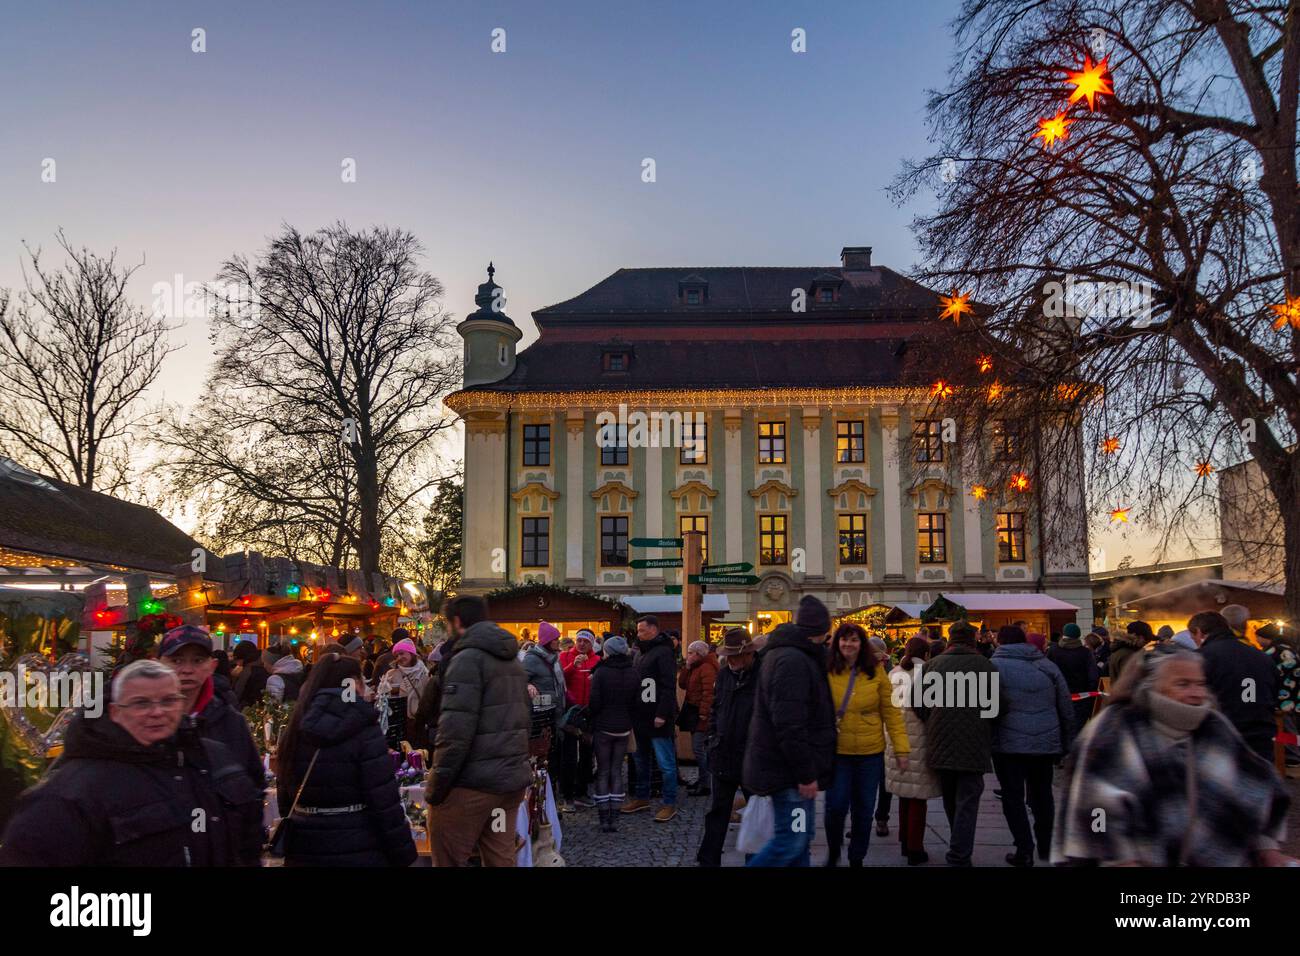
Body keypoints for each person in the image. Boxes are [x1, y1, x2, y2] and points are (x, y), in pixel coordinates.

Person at [0, 660, 263, 866]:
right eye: (141, 703)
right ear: (116, 711)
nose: (157, 712)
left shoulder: (213, 759)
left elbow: (247, 840)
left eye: (168, 701)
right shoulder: (74, 789)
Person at [1054, 647, 1294, 866]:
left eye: (1200, 683)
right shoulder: (1115, 728)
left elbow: (1255, 786)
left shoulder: (1213, 726)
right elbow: (1096, 802)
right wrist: (1118, 858)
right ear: (1148, 684)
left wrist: (1266, 845)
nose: (1196, 693)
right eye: (1183, 684)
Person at [273, 653, 415, 867]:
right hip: (359, 844)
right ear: (353, 683)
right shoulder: (364, 728)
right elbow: (384, 800)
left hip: (305, 845)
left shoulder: (295, 728)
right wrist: (403, 852)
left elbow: (284, 793)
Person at [426, 595, 531, 867]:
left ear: (457, 622)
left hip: (473, 785)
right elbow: (524, 718)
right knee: (500, 857)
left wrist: (436, 787)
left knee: (448, 857)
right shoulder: (513, 660)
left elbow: (454, 730)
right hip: (508, 781)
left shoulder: (467, 659)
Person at [744, 596, 837, 867]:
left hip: (786, 769)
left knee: (800, 839)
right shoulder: (793, 661)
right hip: (787, 773)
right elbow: (789, 724)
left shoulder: (790, 654)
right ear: (820, 631)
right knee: (792, 839)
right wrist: (806, 773)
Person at [823, 622, 908, 867]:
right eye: (844, 639)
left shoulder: (875, 672)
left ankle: (857, 856)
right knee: (835, 806)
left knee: (864, 810)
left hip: (870, 753)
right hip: (838, 751)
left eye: (854, 640)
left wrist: (901, 748)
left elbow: (891, 713)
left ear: (862, 645)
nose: (848, 644)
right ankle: (833, 848)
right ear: (837, 642)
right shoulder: (828, 670)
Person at [916, 621, 998, 867]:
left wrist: (933, 721)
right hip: (974, 743)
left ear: (950, 639)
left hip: (941, 741)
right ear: (973, 640)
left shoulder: (933, 665)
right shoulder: (985, 666)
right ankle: (960, 854)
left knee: (951, 798)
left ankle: (958, 846)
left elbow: (917, 702)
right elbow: (998, 705)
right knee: (968, 801)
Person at [990, 624, 1073, 866]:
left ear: (1000, 642)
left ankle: (1024, 848)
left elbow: (987, 708)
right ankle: (1047, 847)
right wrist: (1067, 743)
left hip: (1008, 744)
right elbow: (1066, 707)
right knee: (1043, 795)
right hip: (1045, 743)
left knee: (1012, 797)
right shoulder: (1047, 665)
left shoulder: (993, 667)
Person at [159, 625, 265, 793]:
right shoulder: (145, 718)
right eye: (176, 660)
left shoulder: (231, 722)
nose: (187, 670)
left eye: (197, 661)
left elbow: (253, 784)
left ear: (212, 665)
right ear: (158, 664)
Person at [697, 628, 759, 866]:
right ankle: (708, 860)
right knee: (717, 812)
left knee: (755, 813)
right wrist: (711, 738)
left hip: (752, 756)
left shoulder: (762, 675)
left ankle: (754, 861)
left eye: (735, 655)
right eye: (728, 655)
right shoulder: (724, 674)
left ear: (748, 654)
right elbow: (716, 707)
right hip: (723, 752)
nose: (731, 660)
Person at [1187, 610, 1278, 762]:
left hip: (1220, 740)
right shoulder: (1262, 657)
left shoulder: (1200, 658)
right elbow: (1274, 692)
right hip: (1261, 738)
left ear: (1198, 632)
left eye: (1193, 637)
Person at [887, 636, 941, 865]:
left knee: (904, 793)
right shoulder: (928, 673)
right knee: (918, 798)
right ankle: (915, 848)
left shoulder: (894, 673)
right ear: (927, 654)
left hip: (896, 742)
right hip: (920, 741)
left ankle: (903, 840)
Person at [622, 614, 681, 822]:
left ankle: (669, 802)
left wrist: (663, 714)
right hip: (640, 717)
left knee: (665, 763)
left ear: (654, 630)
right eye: (638, 630)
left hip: (657, 717)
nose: (639, 634)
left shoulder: (664, 652)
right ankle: (642, 797)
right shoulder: (640, 653)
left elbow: (667, 685)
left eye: (642, 630)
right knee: (640, 761)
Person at [587, 635, 640, 832]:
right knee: (617, 771)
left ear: (608, 651)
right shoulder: (634, 672)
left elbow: (594, 702)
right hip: (624, 726)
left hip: (603, 727)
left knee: (603, 771)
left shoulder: (601, 673)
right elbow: (637, 702)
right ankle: (615, 818)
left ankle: (604, 818)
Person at [524, 621, 569, 808]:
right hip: (542, 716)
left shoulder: (554, 658)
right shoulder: (532, 659)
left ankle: (553, 792)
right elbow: (521, 679)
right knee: (544, 755)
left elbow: (559, 683)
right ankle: (544, 796)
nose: (558, 642)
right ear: (547, 641)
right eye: (555, 639)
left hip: (557, 713)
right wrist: (528, 685)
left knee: (557, 754)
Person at [559, 629, 599, 809]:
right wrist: (572, 666)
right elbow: (560, 680)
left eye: (586, 641)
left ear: (591, 644)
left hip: (589, 713)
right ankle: (568, 795)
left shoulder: (597, 660)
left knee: (586, 755)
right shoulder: (565, 656)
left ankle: (582, 792)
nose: (581, 644)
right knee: (568, 755)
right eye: (579, 640)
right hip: (570, 713)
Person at [678, 639, 719, 797]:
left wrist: (703, 713)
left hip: (701, 714)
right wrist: (687, 667)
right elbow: (682, 684)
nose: (687, 655)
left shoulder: (707, 668)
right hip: (693, 711)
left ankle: (706, 783)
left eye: (690, 653)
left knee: (698, 748)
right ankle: (703, 780)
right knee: (700, 748)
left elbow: (708, 693)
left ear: (698, 654)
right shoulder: (696, 667)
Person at [1047, 622, 1101, 737]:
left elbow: (1048, 673)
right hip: (1082, 697)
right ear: (1078, 635)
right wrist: (1091, 695)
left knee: (1061, 729)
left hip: (1058, 696)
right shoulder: (1085, 653)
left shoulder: (1053, 651)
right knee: (1078, 730)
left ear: (1063, 634)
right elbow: (1093, 676)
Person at [1107, 622, 1148, 686]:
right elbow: (1131, 681)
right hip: (1127, 694)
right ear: (1136, 636)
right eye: (1145, 640)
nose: (1145, 643)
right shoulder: (1128, 654)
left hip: (1119, 692)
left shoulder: (1120, 650)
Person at [231, 639, 269, 708]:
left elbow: (238, 694)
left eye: (237, 659)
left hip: (249, 709)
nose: (237, 663)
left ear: (243, 657)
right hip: (261, 706)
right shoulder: (264, 665)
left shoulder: (247, 671)